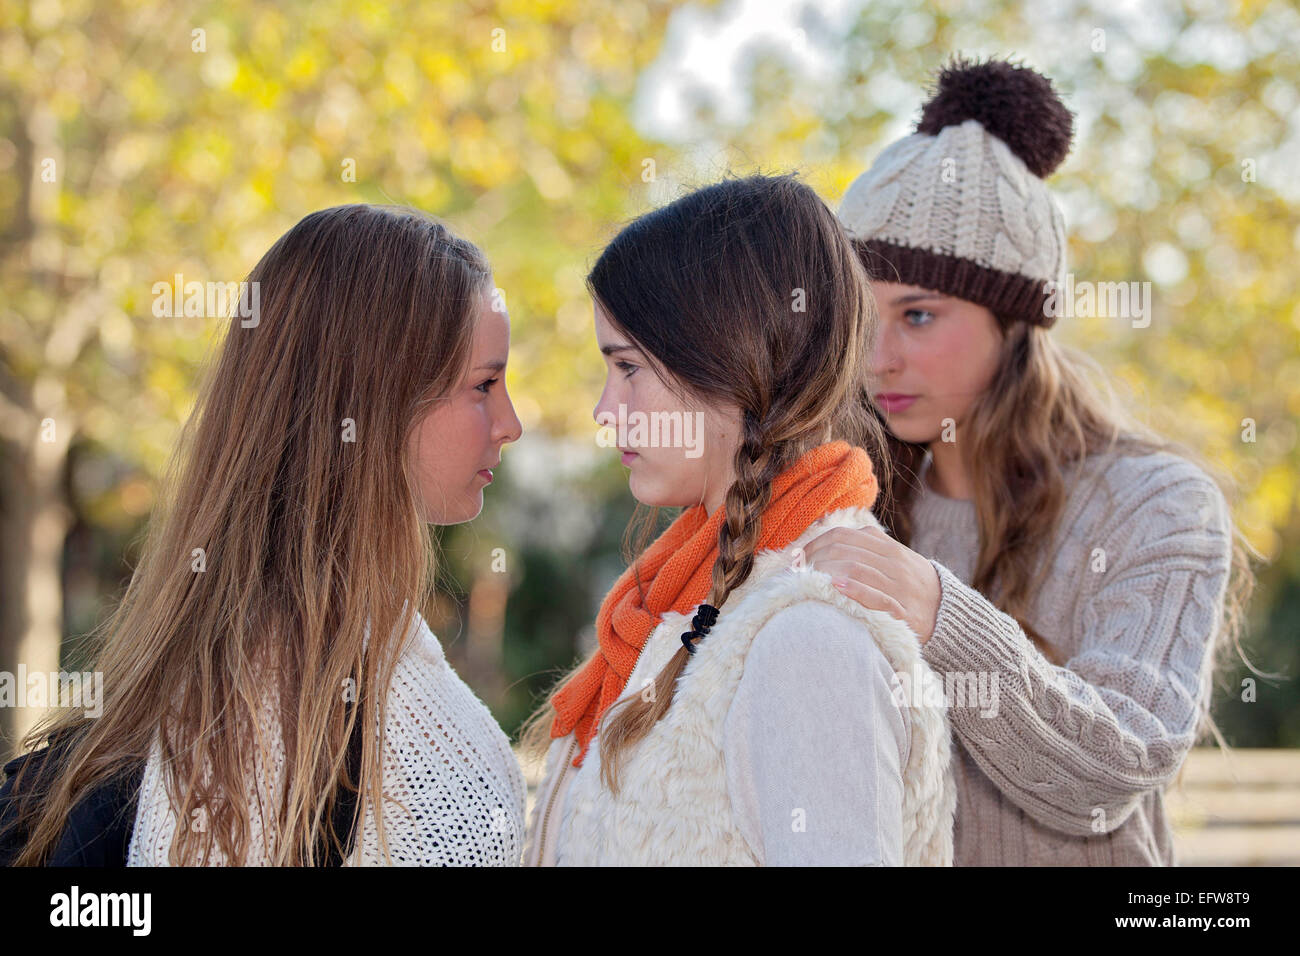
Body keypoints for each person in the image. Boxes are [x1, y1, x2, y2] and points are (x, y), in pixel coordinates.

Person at [800, 56, 1257, 865]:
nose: (876, 359)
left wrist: (941, 612)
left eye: (919, 314)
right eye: (859, 318)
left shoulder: (1157, 504)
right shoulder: (844, 495)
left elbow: (1117, 763)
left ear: (1016, 323)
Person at [1, 204, 526, 865]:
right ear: (375, 398)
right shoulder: (261, 705)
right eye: (484, 385)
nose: (509, 423)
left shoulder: (370, 654)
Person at [520, 173, 957, 866]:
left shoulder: (809, 635)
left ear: (728, 364)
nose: (606, 409)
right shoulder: (685, 596)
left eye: (628, 367)